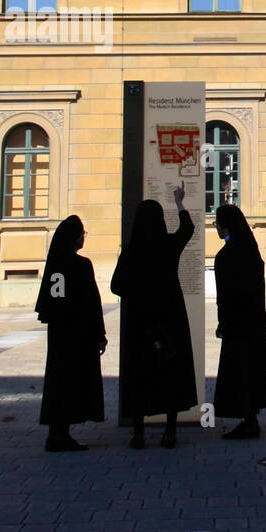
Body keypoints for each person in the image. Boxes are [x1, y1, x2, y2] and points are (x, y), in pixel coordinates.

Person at [110, 184, 196, 449]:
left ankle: (138, 433)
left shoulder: (130, 251)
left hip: (140, 322)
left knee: (140, 375)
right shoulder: (168, 246)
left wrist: (137, 293)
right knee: (170, 373)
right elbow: (187, 230)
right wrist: (179, 202)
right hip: (169, 319)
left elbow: (116, 286)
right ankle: (169, 431)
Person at [36, 215, 107, 451]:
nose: (83, 238)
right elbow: (92, 302)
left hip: (60, 333)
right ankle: (61, 434)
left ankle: (56, 432)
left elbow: (53, 300)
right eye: (82, 234)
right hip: (79, 333)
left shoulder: (55, 264)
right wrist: (99, 333)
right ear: (76, 238)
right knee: (74, 382)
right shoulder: (81, 265)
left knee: (58, 381)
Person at [211, 202, 266, 440]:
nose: (216, 227)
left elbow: (224, 296)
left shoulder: (225, 256)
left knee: (239, 372)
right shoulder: (251, 251)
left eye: (217, 223)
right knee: (253, 370)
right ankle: (252, 416)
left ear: (226, 226)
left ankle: (248, 420)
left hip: (236, 324)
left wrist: (222, 323)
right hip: (255, 322)